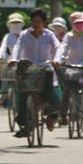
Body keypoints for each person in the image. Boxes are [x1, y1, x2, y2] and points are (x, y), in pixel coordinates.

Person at [11, 8, 59, 137]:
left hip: (44, 68)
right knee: (23, 93)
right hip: (28, 68)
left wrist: (57, 60)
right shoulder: (24, 35)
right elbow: (17, 47)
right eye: (33, 21)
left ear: (43, 22)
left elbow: (58, 47)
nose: (35, 24)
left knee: (50, 77)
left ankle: (48, 106)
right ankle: (24, 124)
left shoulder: (49, 35)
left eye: (38, 21)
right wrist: (13, 59)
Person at [53, 11, 83, 115]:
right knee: (66, 90)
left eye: (80, 22)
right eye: (75, 23)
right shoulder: (69, 36)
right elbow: (63, 48)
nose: (78, 25)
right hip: (70, 67)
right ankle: (63, 115)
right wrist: (58, 60)